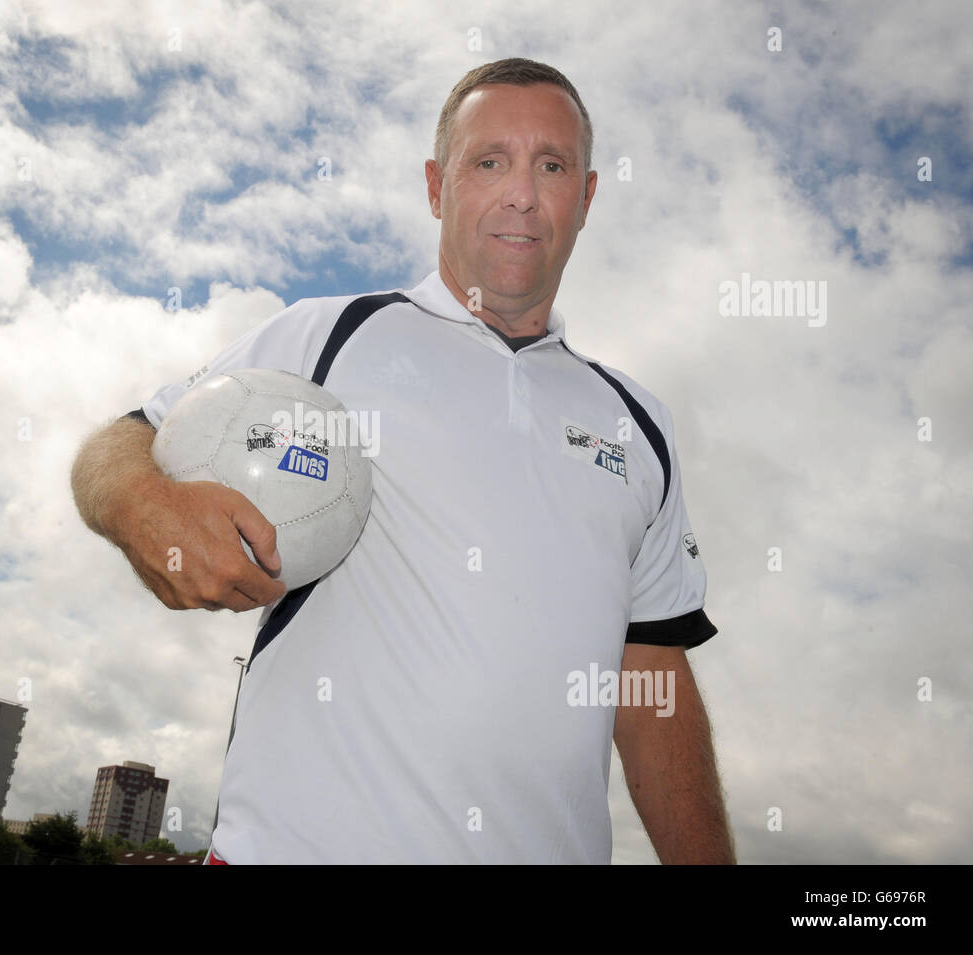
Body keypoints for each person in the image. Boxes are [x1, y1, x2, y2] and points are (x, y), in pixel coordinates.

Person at [71, 57, 735, 864]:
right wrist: (146, 503)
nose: (521, 193)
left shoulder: (637, 423)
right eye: (489, 161)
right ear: (436, 185)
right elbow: (122, 441)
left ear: (586, 197)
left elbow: (652, 687)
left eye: (551, 166)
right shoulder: (328, 335)